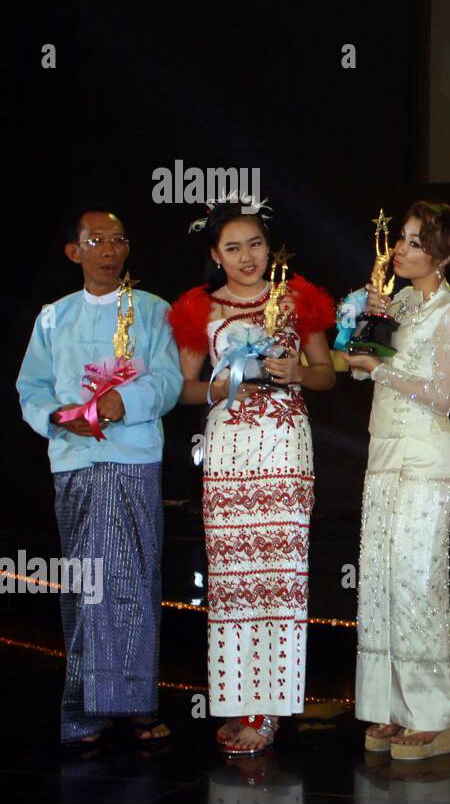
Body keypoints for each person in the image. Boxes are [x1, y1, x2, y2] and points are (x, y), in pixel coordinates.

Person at [169, 202, 336, 756]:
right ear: (215, 254)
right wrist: (220, 388)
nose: (246, 257)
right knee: (235, 579)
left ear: (270, 247)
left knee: (279, 577)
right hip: (229, 451)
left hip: (285, 448)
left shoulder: (297, 300)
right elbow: (181, 388)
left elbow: (327, 374)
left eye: (255, 245)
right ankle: (241, 700)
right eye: (233, 248)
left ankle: (269, 711)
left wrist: (298, 374)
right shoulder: (199, 308)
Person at [17, 205, 182, 748]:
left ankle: (134, 703)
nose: (110, 251)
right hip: (73, 461)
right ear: (74, 251)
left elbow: (168, 382)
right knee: (87, 584)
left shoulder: (154, 310)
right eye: (97, 241)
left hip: (132, 458)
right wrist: (60, 418)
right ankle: (87, 703)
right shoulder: (52, 317)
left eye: (119, 240)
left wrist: (121, 403)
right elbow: (31, 390)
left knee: (133, 581)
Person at [342, 201, 450, 761]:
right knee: (380, 579)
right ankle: (393, 710)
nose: (400, 249)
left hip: (425, 457)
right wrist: (367, 328)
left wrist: (382, 368)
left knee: (417, 583)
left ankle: (435, 717)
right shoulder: (395, 300)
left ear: (442, 255)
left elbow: (445, 396)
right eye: (401, 238)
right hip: (383, 453)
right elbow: (354, 366)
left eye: (415, 242)